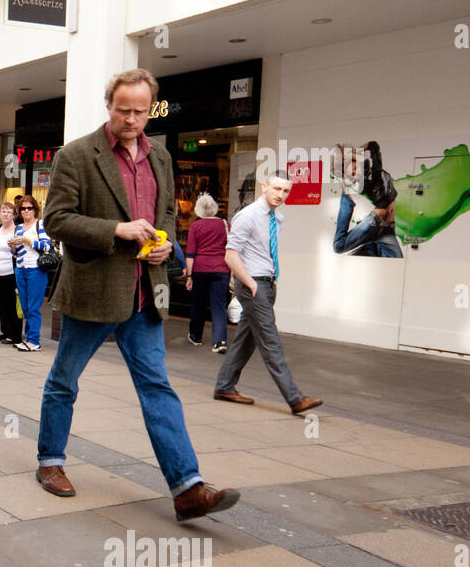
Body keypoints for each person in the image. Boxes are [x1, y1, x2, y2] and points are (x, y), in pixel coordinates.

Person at [36, 67, 239, 522]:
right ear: (109, 105)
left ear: (151, 109)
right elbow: (58, 220)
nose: (132, 119)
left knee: (157, 387)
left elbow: (164, 213)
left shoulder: (160, 157)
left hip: (145, 294)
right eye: (123, 110)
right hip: (94, 291)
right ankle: (50, 461)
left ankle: (188, 488)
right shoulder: (76, 155)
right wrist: (117, 230)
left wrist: (164, 243)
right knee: (64, 381)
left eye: (140, 112)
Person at [214, 175, 323, 415]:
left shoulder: (278, 219)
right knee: (270, 339)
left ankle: (224, 387)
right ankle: (295, 398)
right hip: (253, 284)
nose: (280, 194)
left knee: (246, 339)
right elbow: (230, 255)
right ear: (264, 187)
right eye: (276, 188)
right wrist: (251, 284)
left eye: (285, 191)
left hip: (268, 283)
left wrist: (269, 281)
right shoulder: (247, 216)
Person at [333, 141, 402, 258]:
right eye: (353, 174)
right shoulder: (362, 184)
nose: (356, 174)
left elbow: (373, 145)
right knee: (339, 246)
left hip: (388, 227)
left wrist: (353, 153)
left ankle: (370, 245)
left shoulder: (376, 170)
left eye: (355, 168)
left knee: (398, 261)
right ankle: (345, 198)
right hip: (374, 224)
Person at [184, 194, 231, 353]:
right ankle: (219, 341)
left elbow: (190, 254)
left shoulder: (195, 227)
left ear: (198, 209)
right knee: (219, 305)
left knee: (199, 303)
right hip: (221, 269)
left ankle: (195, 336)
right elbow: (231, 249)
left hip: (200, 269)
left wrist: (189, 276)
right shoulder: (226, 225)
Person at [10, 197, 50, 351]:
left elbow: (46, 246)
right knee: (25, 307)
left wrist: (27, 240)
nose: (26, 211)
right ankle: (28, 339)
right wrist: (13, 247)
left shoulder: (40, 225)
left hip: (36, 269)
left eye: (29, 208)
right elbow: (16, 254)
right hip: (21, 269)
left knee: (33, 307)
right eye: (23, 209)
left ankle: (34, 341)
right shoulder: (18, 228)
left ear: (35, 209)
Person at [0, 202, 23, 344]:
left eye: (9, 212)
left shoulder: (17, 231)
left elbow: (20, 252)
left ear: (14, 215)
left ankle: (15, 335)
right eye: (3, 211)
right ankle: (5, 331)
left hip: (12, 272)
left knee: (12, 304)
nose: (5, 214)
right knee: (2, 303)